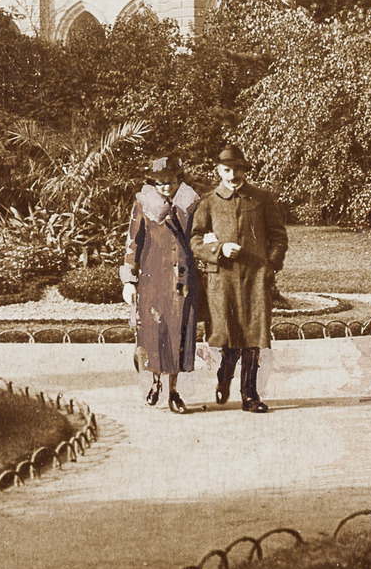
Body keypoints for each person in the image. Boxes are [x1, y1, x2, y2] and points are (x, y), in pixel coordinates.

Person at [189, 150, 289, 412]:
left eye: (236, 170)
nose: (232, 176)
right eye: (226, 170)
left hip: (255, 278)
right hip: (222, 279)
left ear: (244, 170)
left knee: (254, 335)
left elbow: (279, 237)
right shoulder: (209, 202)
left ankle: (249, 394)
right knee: (228, 335)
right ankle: (225, 375)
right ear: (218, 171)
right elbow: (196, 240)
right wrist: (219, 249)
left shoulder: (262, 198)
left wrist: (270, 267)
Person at [119, 152, 202, 414]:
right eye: (160, 182)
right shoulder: (143, 204)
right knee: (154, 332)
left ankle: (174, 391)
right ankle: (155, 383)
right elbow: (133, 242)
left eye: (171, 181)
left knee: (179, 333)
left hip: (182, 277)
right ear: (153, 183)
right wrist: (129, 281)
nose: (166, 186)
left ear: (179, 180)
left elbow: (200, 237)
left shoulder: (192, 204)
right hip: (153, 277)